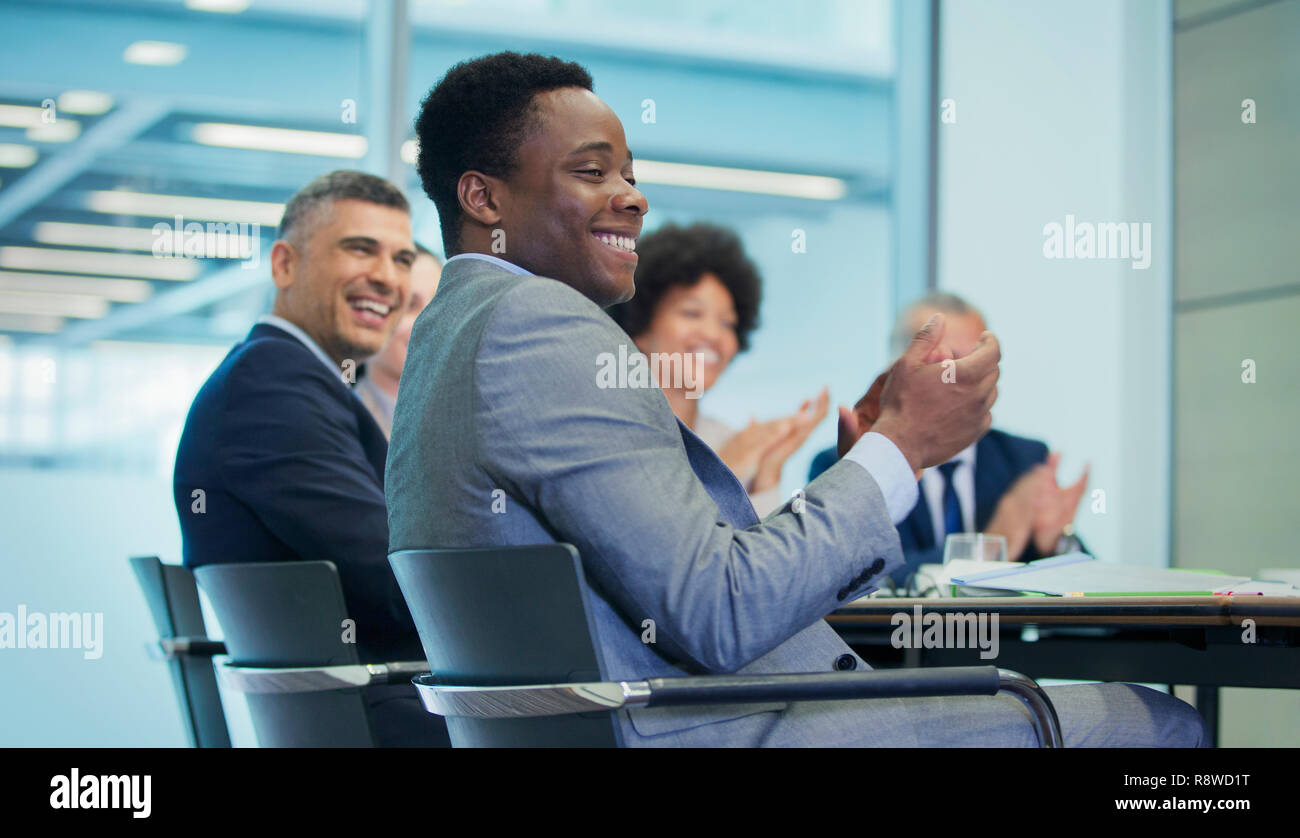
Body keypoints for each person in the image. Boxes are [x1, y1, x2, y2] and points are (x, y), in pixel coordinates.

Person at [387, 51, 1203, 747]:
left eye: (631, 174)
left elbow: (693, 584)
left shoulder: (447, 339)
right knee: (1161, 725)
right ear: (484, 199)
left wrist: (862, 465)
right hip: (721, 726)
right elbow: (719, 613)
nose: (633, 196)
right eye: (592, 171)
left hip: (670, 715)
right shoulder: (544, 324)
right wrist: (903, 447)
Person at [173, 170, 448, 747]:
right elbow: (399, 579)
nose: (387, 278)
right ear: (285, 265)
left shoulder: (295, 381)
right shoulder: (272, 388)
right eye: (360, 249)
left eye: (401, 259)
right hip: (391, 719)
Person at [809, 293, 1089, 587]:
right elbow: (868, 580)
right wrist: (994, 544)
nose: (969, 380)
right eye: (952, 363)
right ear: (898, 370)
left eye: (977, 362)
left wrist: (1056, 542)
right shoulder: (848, 461)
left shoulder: (1022, 458)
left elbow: (1084, 602)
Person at [606, 222, 827, 517]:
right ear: (639, 326)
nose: (713, 334)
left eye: (727, 323)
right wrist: (726, 472)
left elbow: (760, 558)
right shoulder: (611, 433)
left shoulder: (727, 438)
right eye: (692, 313)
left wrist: (767, 475)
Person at [355, 243, 443, 437]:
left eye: (440, 303)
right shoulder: (344, 423)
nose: (430, 320)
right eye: (410, 305)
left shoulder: (477, 414)